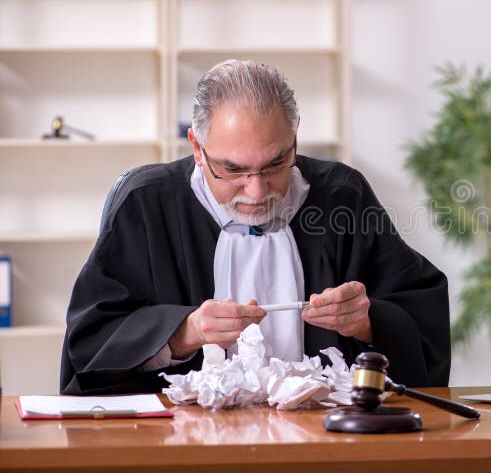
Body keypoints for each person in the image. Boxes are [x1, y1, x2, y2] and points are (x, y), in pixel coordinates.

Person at [60, 59, 450, 394]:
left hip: (321, 438)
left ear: (294, 139)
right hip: (184, 445)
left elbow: (419, 311)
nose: (257, 190)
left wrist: (366, 322)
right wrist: (184, 333)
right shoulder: (146, 205)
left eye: (276, 164)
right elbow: (92, 341)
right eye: (233, 170)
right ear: (197, 148)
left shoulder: (341, 197)